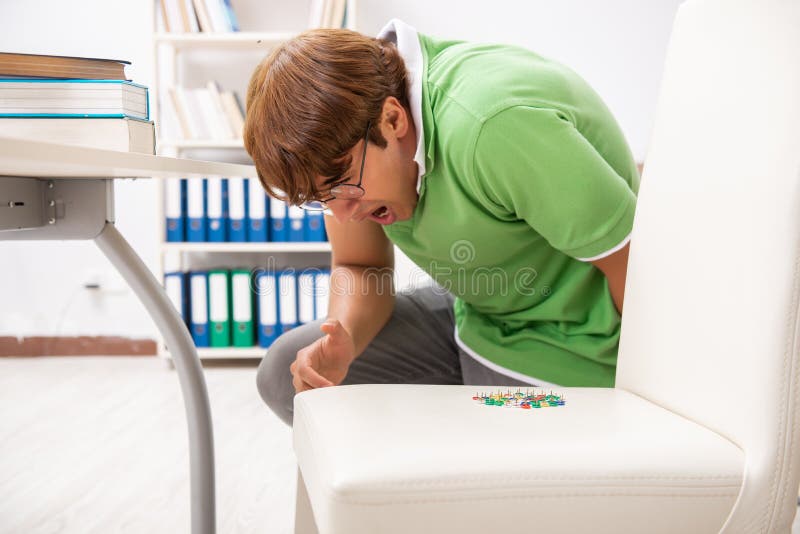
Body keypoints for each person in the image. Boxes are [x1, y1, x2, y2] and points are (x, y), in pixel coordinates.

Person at [244, 19, 639, 426]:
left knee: (487, 457)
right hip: (481, 316)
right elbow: (361, 266)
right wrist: (345, 340)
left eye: (342, 185)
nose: (341, 214)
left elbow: (637, 268)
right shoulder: (351, 147)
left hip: (580, 340)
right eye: (320, 198)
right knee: (285, 377)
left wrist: (644, 406)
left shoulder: (493, 126)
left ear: (393, 120)